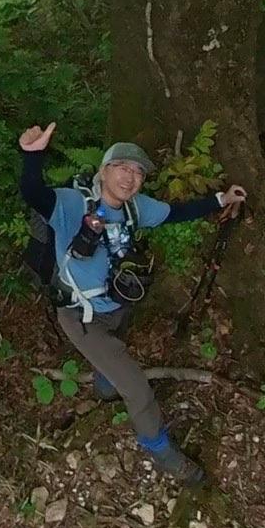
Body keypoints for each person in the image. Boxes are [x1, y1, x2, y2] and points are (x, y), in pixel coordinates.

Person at [19, 121, 245, 484]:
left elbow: (175, 213)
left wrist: (221, 200)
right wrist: (32, 156)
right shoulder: (72, 204)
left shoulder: (136, 208)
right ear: (104, 171)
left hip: (117, 307)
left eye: (138, 172)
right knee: (138, 389)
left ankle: (106, 390)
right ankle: (161, 451)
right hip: (82, 317)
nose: (131, 177)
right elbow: (32, 192)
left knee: (115, 361)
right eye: (123, 167)